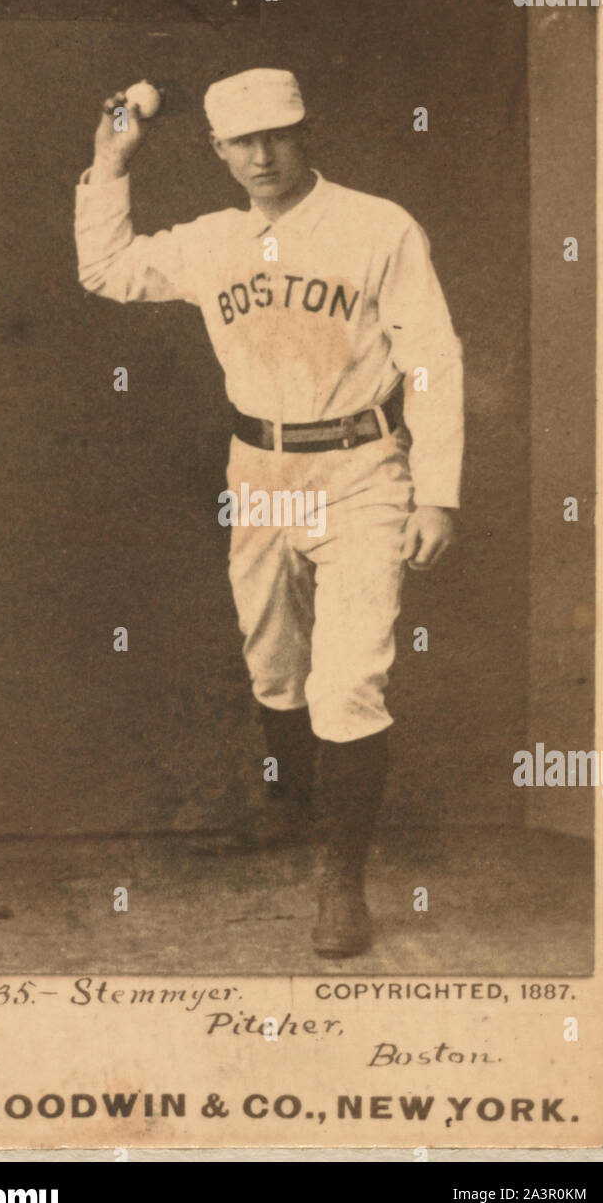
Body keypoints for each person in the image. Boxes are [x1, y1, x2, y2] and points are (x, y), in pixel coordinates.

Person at [74, 67, 464, 957]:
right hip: (259, 464)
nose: (262, 155)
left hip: (364, 465)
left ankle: (342, 881)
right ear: (215, 151)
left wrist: (437, 491)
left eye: (278, 134)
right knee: (273, 659)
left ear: (305, 130)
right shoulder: (214, 240)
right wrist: (111, 159)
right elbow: (106, 269)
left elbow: (432, 354)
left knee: (348, 679)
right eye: (241, 142)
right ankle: (291, 811)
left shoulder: (378, 225)